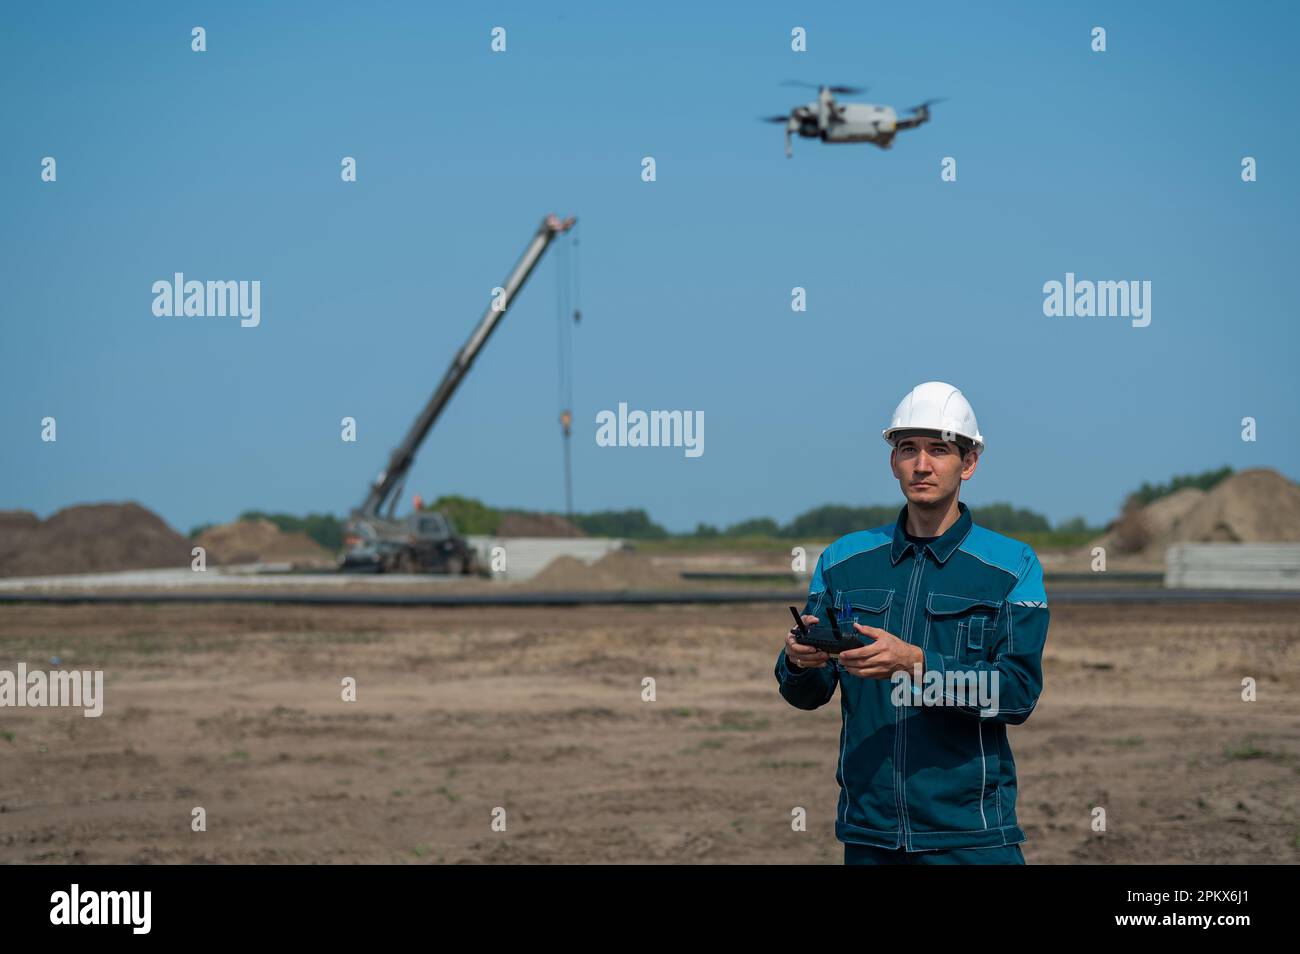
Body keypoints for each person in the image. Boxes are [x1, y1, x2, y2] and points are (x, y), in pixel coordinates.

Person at [775, 381, 1050, 865]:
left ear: (969, 462)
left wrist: (919, 665)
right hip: (869, 835)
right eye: (908, 449)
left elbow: (1018, 694)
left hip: (971, 838)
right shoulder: (843, 561)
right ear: (892, 461)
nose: (922, 465)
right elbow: (809, 694)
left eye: (939, 450)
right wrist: (799, 662)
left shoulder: (1012, 566)